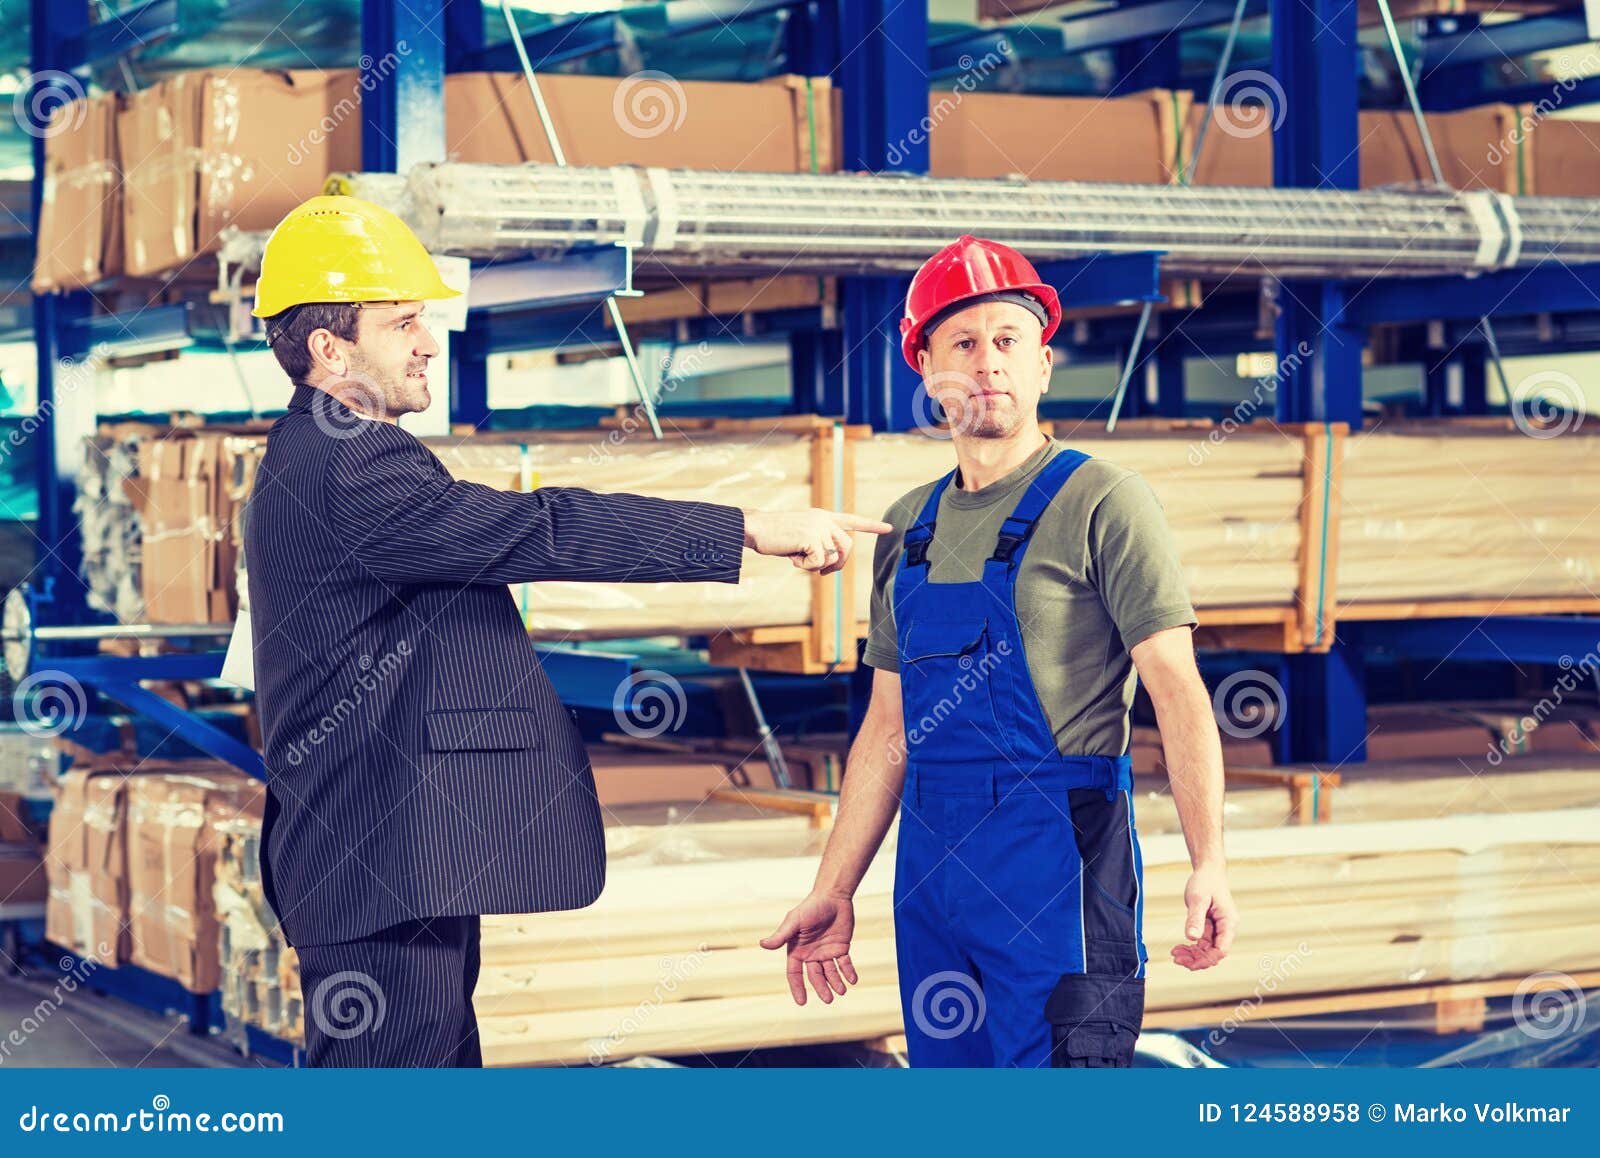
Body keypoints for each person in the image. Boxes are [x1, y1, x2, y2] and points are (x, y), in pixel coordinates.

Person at [243, 194, 890, 1067]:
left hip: (386, 860)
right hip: (382, 860)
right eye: (403, 324)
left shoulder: (314, 456)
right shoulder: (351, 464)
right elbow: (541, 528)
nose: (429, 341)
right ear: (330, 348)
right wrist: (742, 527)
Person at [761, 236, 1238, 1068]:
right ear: (927, 368)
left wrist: (1210, 863)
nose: (990, 364)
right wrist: (834, 888)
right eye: (964, 344)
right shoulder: (909, 524)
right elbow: (886, 730)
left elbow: (1178, 690)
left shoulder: (1105, 501)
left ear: (1044, 364)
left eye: (1010, 341)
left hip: (1056, 863)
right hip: (934, 875)